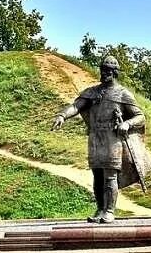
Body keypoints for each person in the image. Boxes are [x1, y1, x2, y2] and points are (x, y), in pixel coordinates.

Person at [51, 55, 145, 223]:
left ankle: (109, 211)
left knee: (110, 176)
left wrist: (127, 124)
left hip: (113, 138)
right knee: (97, 176)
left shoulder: (123, 94)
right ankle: (100, 209)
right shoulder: (92, 92)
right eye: (102, 70)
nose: (104, 73)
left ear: (115, 73)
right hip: (95, 137)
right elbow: (76, 106)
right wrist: (62, 116)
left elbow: (140, 117)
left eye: (108, 71)